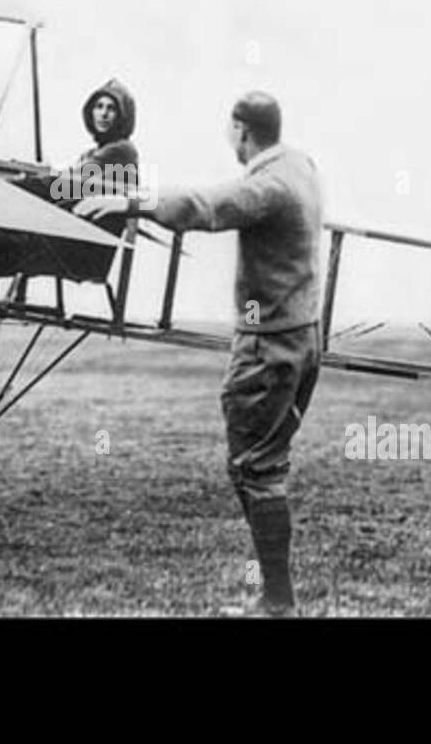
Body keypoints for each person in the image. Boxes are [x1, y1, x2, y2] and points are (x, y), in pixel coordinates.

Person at [75, 90, 322, 616]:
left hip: (271, 346)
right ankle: (277, 598)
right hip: (301, 336)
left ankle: (279, 603)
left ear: (240, 131)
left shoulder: (271, 183)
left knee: (256, 470)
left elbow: (209, 207)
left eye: (229, 131)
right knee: (261, 467)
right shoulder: (301, 166)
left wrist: (130, 201)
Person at [0, 78, 140, 290]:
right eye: (99, 106)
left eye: (111, 108)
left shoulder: (120, 151)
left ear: (123, 116)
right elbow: (66, 184)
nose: (103, 114)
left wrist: (13, 184)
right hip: (76, 240)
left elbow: (61, 186)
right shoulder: (98, 152)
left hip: (84, 250)